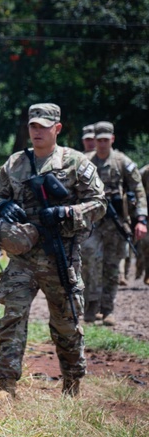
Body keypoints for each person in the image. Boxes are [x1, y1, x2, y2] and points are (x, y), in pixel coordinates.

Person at [0, 104, 105, 406]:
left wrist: (67, 212)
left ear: (57, 129)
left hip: (60, 255)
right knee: (12, 318)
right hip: (23, 257)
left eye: (44, 126)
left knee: (66, 324)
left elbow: (99, 202)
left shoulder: (75, 162)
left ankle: (72, 383)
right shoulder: (15, 164)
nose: (37, 131)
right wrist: (2, 207)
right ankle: (6, 387)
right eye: (33, 126)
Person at [78, 122, 147, 325]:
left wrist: (141, 218)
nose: (101, 144)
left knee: (111, 266)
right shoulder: (85, 162)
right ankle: (91, 305)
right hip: (92, 223)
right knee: (90, 262)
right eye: (98, 140)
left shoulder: (122, 162)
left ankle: (107, 309)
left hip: (116, 223)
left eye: (105, 140)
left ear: (112, 140)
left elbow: (139, 189)